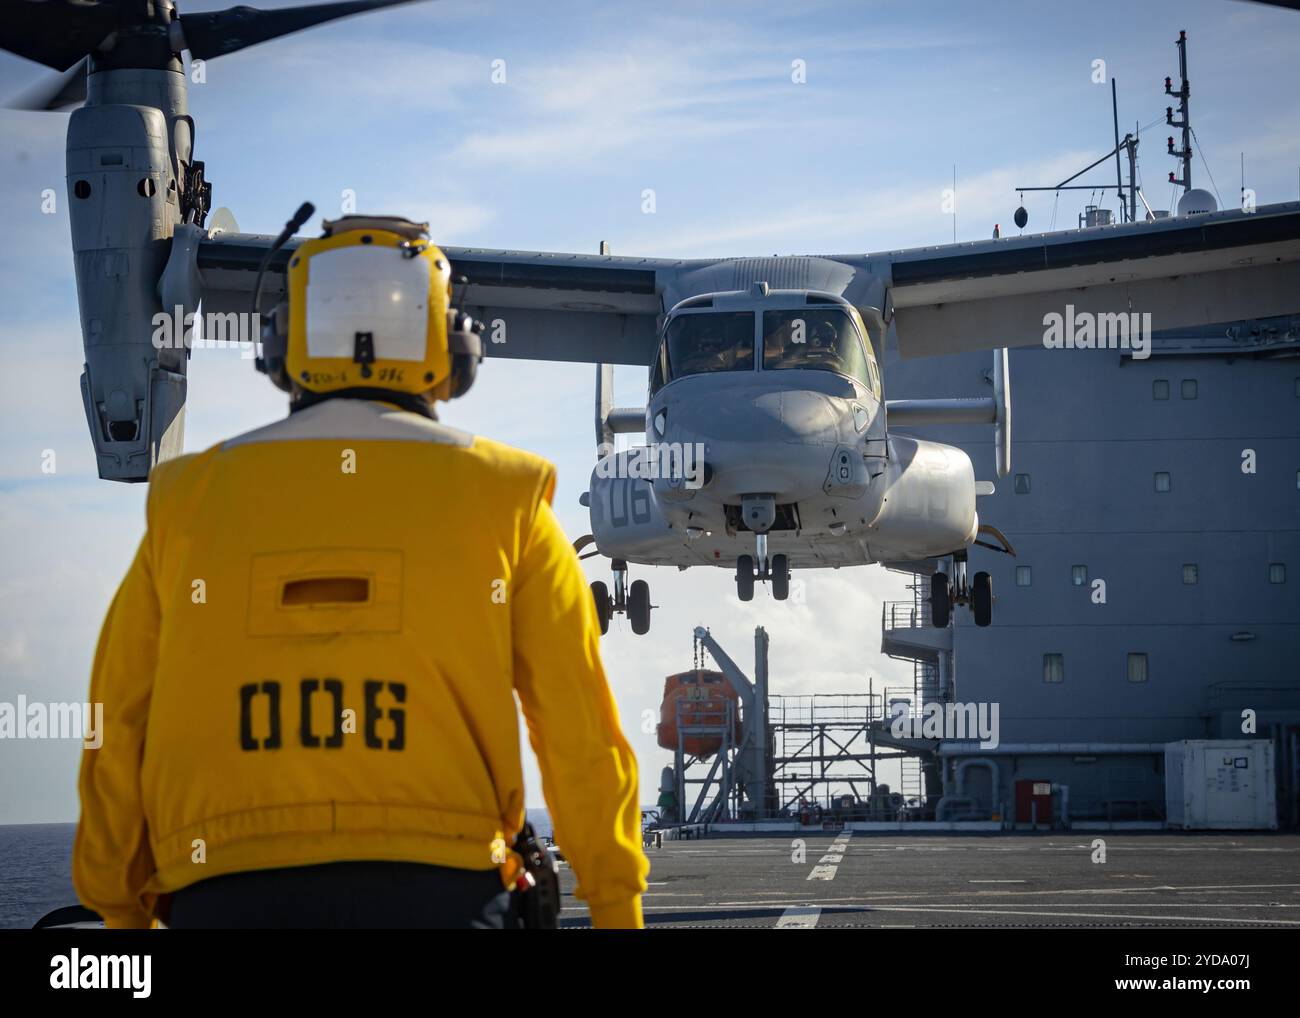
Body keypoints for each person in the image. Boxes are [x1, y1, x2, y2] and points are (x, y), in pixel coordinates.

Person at [73, 214, 648, 929]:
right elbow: (578, 732)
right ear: (451, 346)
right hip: (448, 893)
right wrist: (617, 903)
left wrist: (119, 908)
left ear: (283, 346)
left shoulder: (188, 500)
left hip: (224, 896)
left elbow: (118, 720)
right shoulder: (509, 493)